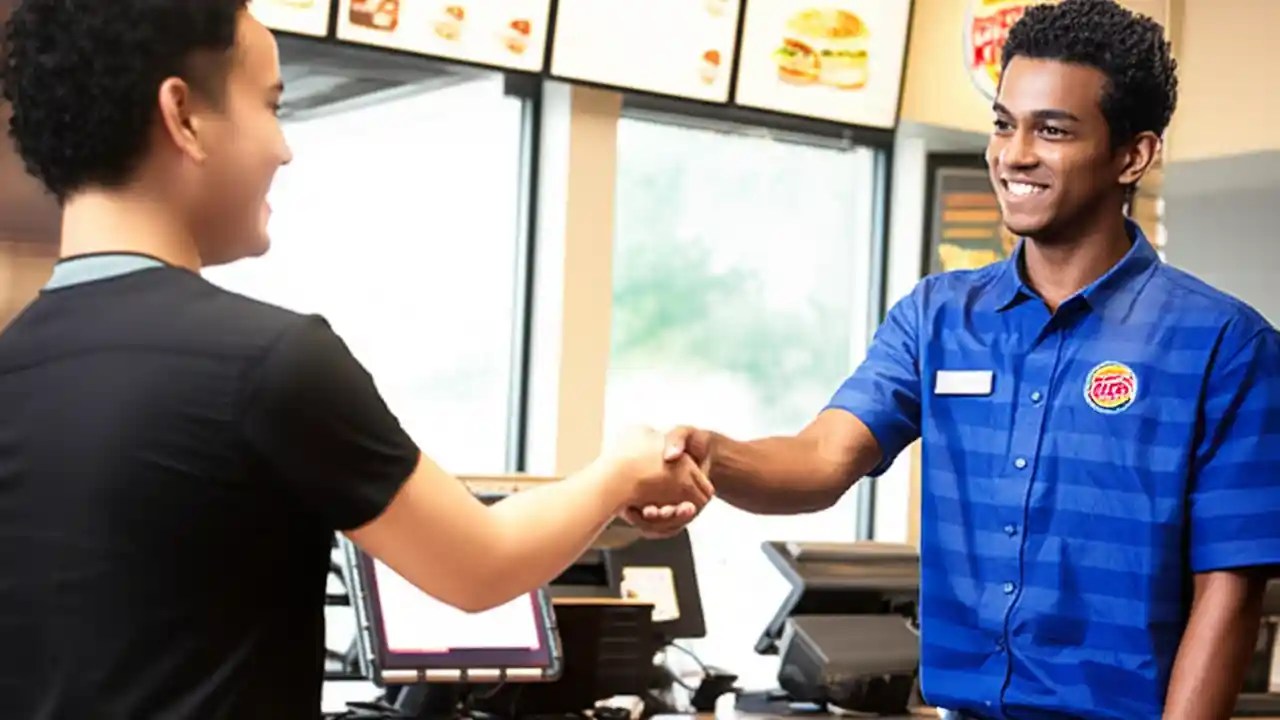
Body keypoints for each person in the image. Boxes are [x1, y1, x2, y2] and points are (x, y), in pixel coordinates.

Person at [0, 2, 711, 718]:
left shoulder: (12, 363)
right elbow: (480, 564)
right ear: (182, 115)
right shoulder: (268, 364)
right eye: (271, 105)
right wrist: (620, 470)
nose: (284, 149)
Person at [630, 1, 1280, 718]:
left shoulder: (1227, 345)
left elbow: (1230, 589)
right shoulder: (937, 317)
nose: (1014, 154)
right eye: (1004, 124)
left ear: (1134, 154)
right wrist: (713, 457)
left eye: (1052, 130)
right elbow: (820, 460)